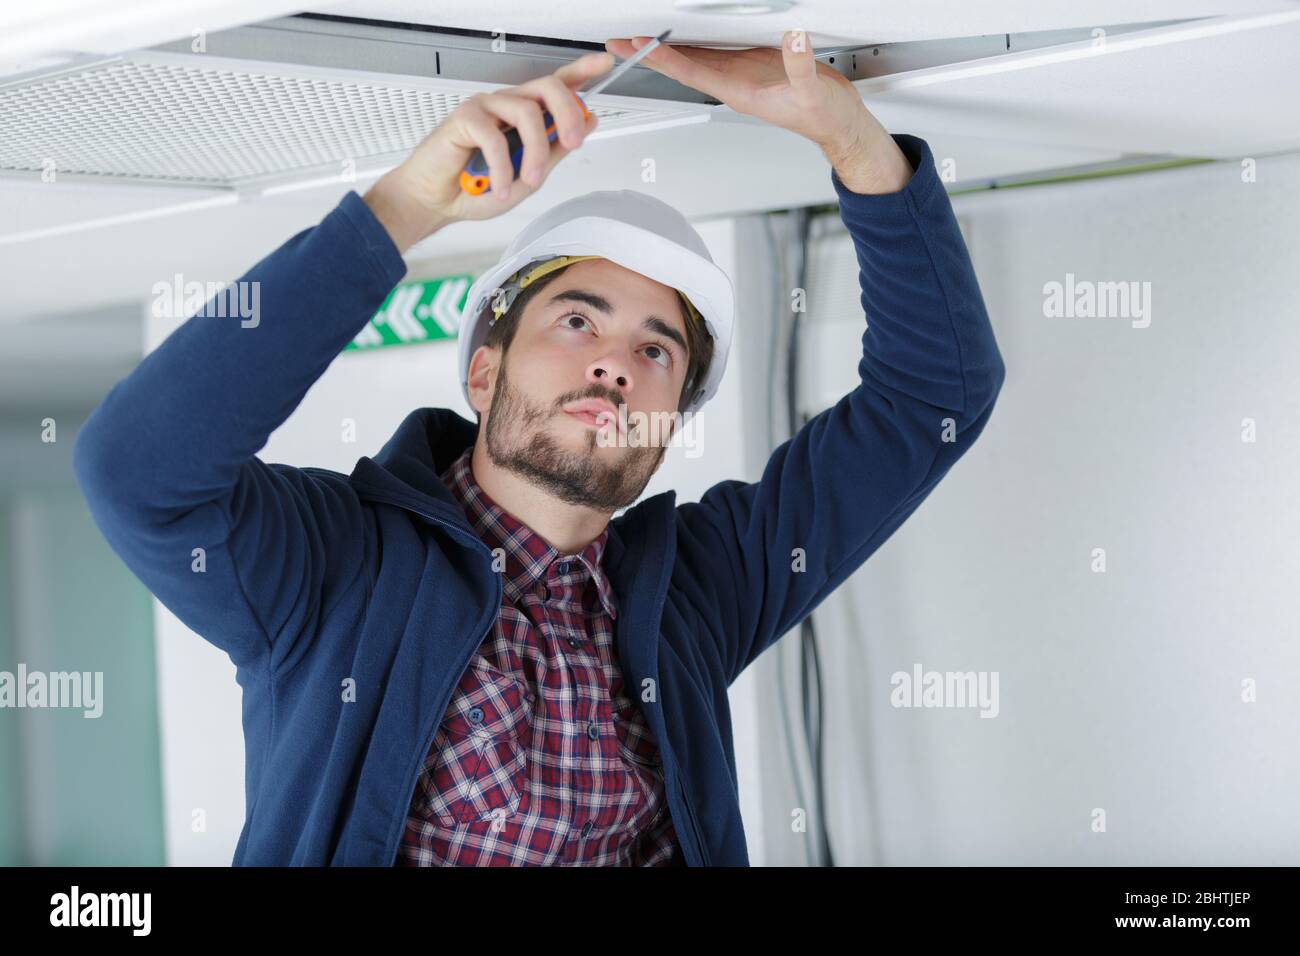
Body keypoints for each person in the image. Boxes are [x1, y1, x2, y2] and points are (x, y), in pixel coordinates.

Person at [73, 30, 1006, 865]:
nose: (615, 367)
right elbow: (137, 470)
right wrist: (403, 208)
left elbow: (935, 399)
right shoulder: (336, 569)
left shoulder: (697, 593)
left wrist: (856, 144)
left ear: (669, 419)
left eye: (656, 350)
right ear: (483, 376)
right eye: (575, 321)